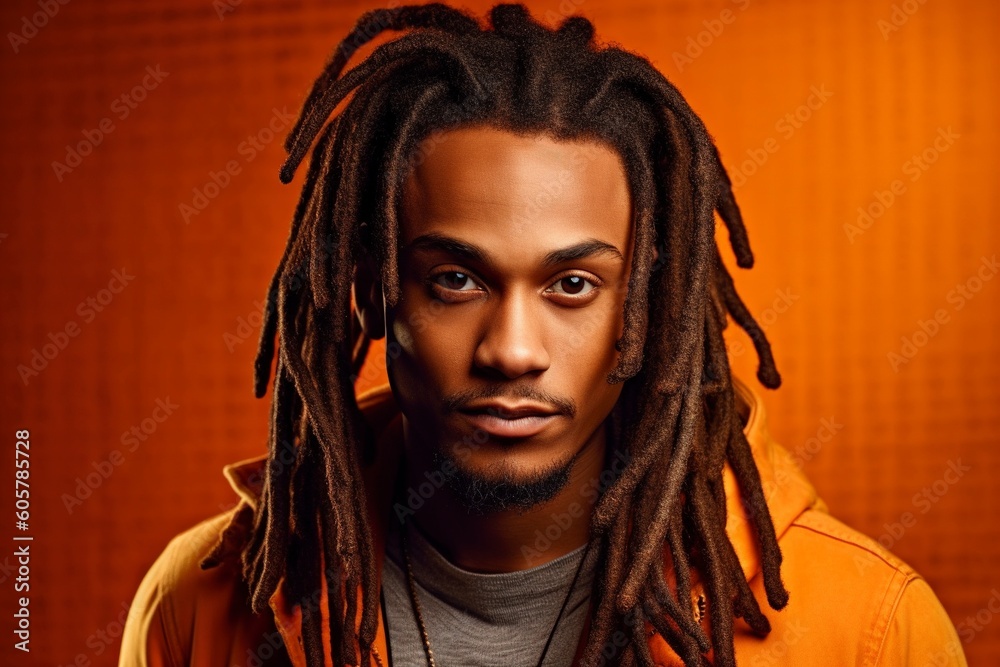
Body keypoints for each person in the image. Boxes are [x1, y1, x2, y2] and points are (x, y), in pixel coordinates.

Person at [118, 3, 967, 666]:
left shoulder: (868, 627)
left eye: (572, 285)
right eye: (456, 279)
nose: (513, 350)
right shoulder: (200, 604)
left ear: (647, 308)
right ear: (374, 292)